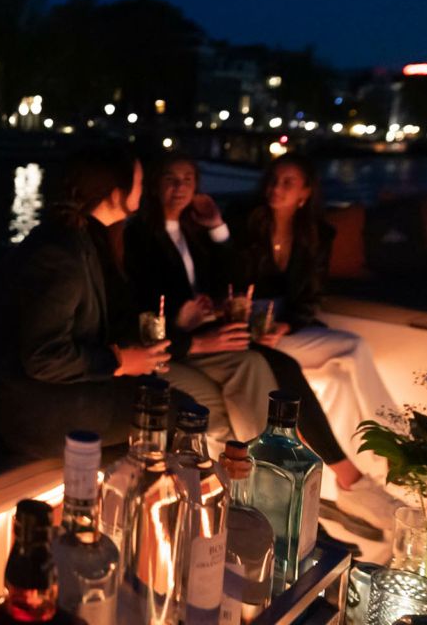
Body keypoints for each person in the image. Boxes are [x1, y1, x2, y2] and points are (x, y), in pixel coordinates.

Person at [127, 153, 403, 533]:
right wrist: (186, 321)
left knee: (338, 356)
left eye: (188, 178)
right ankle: (279, 496)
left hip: (245, 328)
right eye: (170, 178)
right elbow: (146, 304)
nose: (179, 187)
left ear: (306, 192)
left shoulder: (196, 231)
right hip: (192, 338)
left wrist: (216, 240)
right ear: (153, 185)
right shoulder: (141, 235)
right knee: (270, 366)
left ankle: (290, 491)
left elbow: (239, 279)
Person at [0, 148, 275, 459]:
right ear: (116, 193)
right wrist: (119, 361)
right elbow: (43, 357)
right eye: (140, 182)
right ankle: (214, 490)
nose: (143, 190)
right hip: (36, 409)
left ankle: (230, 485)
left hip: (65, 388)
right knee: (184, 411)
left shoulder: (86, 238)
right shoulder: (60, 252)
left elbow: (112, 319)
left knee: (195, 404)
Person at [233, 154, 401, 483]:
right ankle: (394, 447)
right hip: (248, 328)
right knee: (350, 351)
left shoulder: (317, 234)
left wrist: (288, 324)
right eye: (273, 180)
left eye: (287, 183)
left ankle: (382, 454)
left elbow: (312, 295)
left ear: (305, 193)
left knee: (346, 363)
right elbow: (231, 280)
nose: (276, 189)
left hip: (288, 327)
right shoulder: (245, 223)